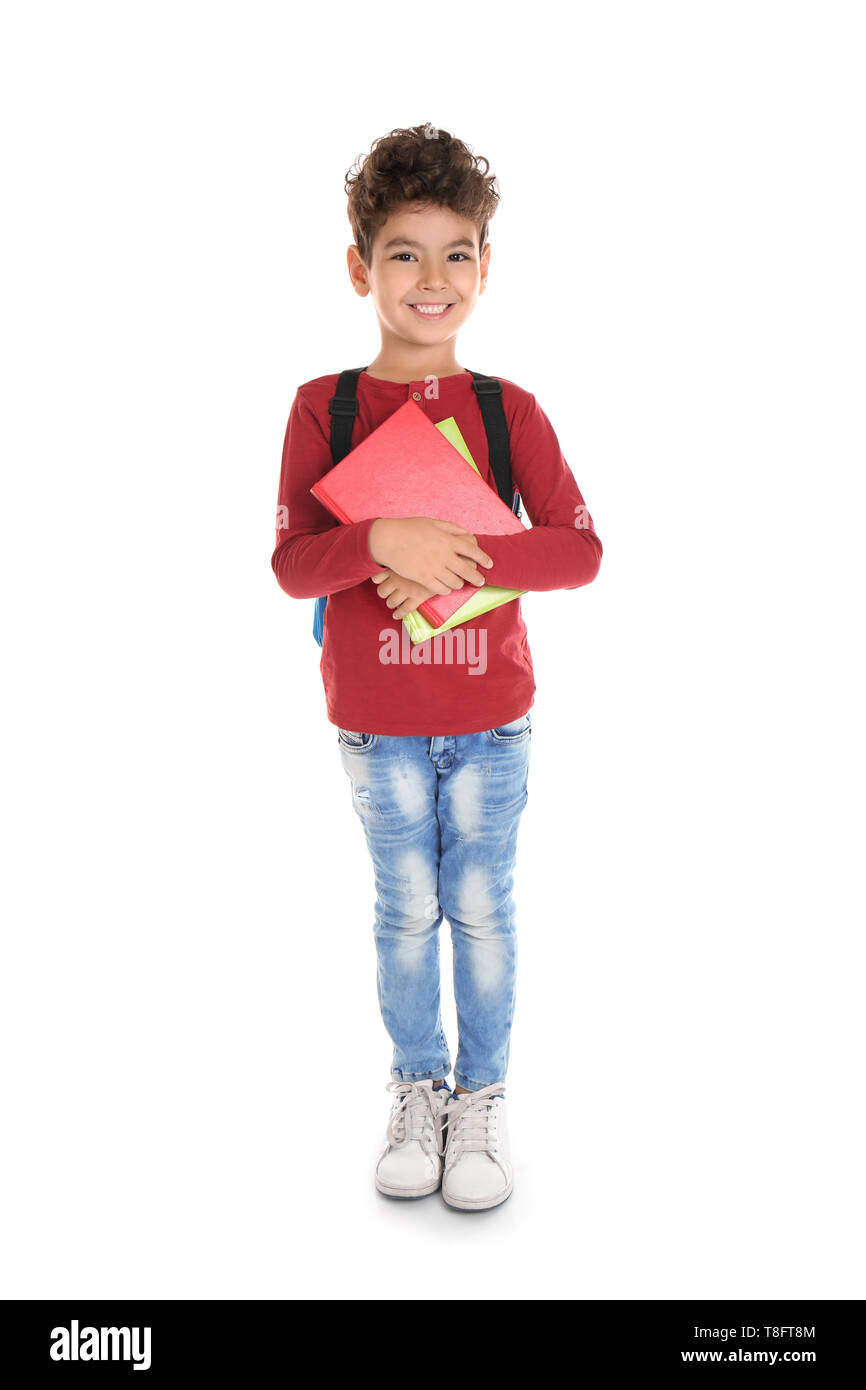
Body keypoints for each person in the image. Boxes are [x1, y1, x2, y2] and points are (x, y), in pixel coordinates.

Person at [271, 124, 603, 1211]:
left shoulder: (508, 410)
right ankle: (418, 1087)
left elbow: (577, 547)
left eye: (456, 252)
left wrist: (448, 549)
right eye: (404, 253)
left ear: (485, 266)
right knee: (404, 907)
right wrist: (376, 541)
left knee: (484, 907)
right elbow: (290, 566)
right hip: (372, 718)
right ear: (359, 267)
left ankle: (483, 1098)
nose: (432, 279)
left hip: (491, 715)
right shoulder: (322, 407)